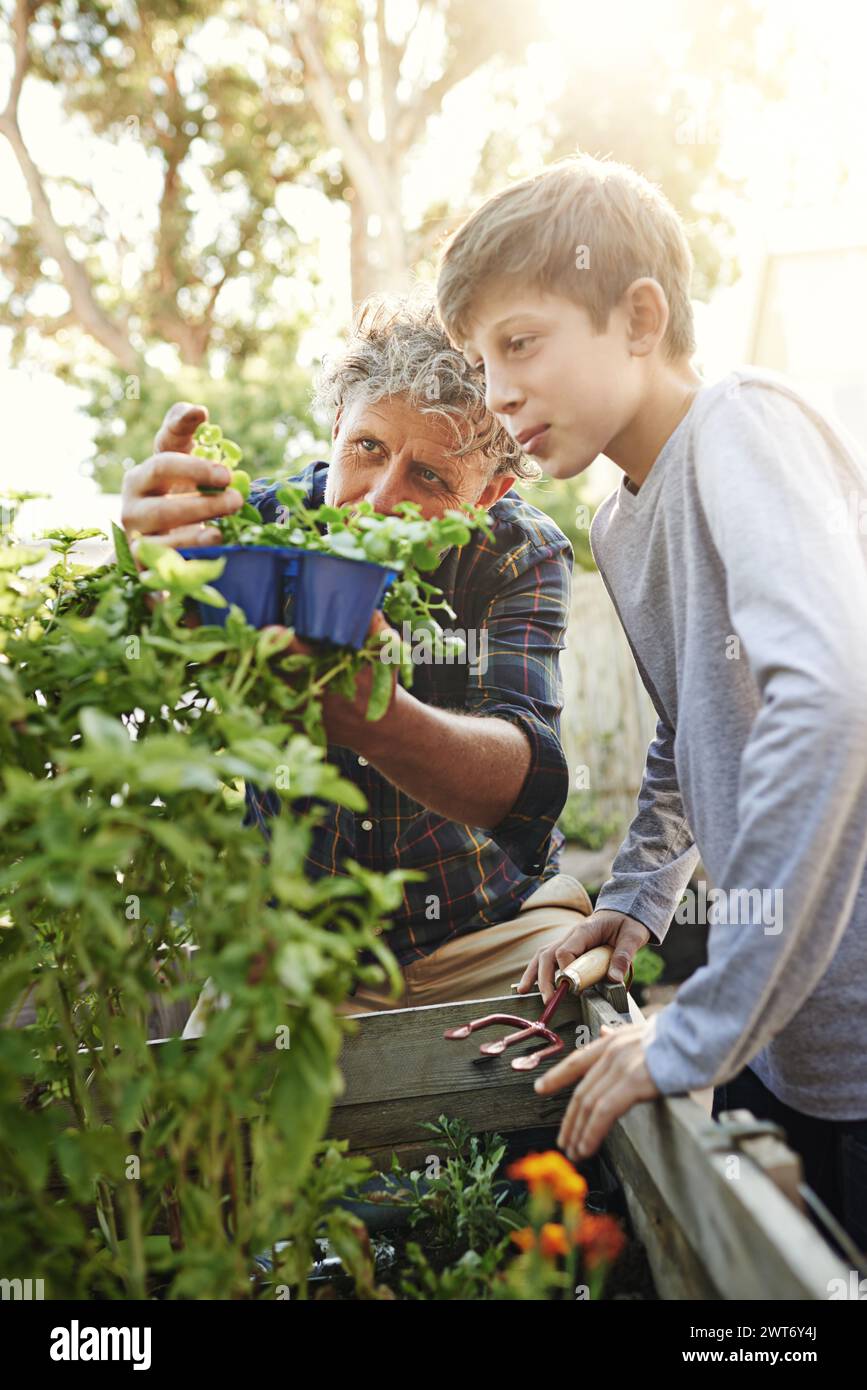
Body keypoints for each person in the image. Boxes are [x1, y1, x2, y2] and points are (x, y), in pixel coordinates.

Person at [435, 154, 867, 1248]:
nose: (496, 394)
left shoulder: (742, 424)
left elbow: (828, 699)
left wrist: (694, 1031)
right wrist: (636, 899)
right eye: (479, 363)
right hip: (780, 1044)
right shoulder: (619, 525)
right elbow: (687, 726)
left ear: (638, 317)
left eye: (519, 343)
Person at [120, 293, 592, 1029]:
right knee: (203, 1127)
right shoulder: (259, 529)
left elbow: (526, 785)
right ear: (338, 427)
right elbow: (158, 646)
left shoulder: (519, 553)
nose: (378, 499)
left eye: (430, 478)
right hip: (293, 948)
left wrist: (379, 719)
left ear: (489, 493)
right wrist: (155, 574)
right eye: (368, 448)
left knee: (583, 1042)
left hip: (489, 931)